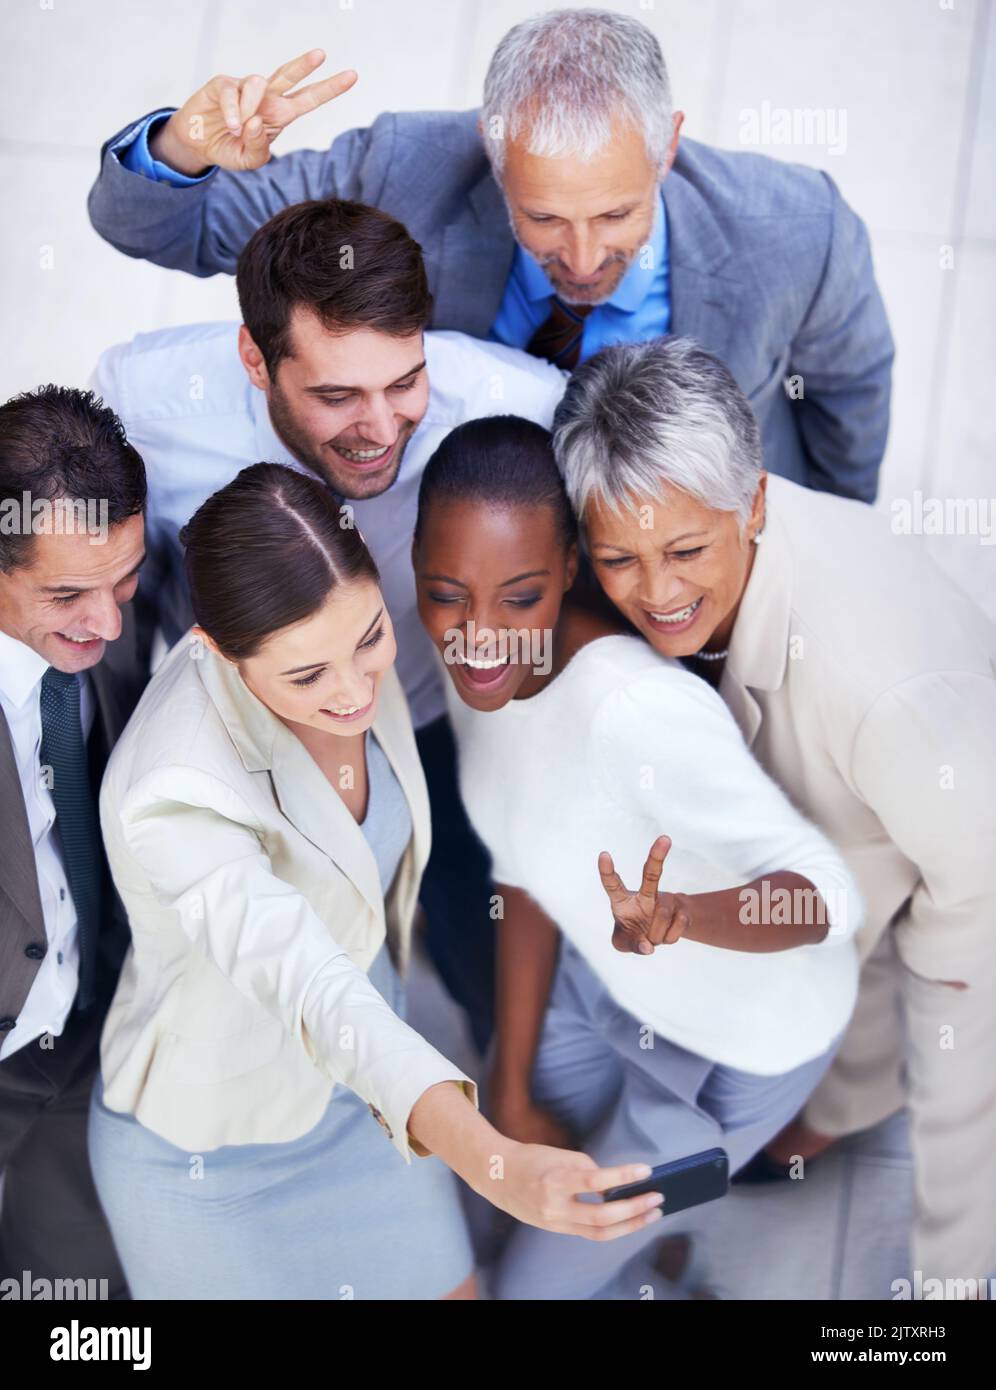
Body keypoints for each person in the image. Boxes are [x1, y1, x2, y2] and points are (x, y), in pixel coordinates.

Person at [86, 461, 663, 1301]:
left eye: (366, 643)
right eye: (308, 677)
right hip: (209, 1153)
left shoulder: (342, 628)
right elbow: (308, 980)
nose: (355, 689)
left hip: (369, 1103)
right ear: (216, 653)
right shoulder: (172, 787)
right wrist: (492, 1164)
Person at [551, 335, 996, 1290]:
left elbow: (975, 889)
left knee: (938, 1045)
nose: (658, 594)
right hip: (838, 811)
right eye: (620, 559)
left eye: (684, 553)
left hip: (954, 853)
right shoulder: (683, 524)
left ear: (753, 503)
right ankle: (840, 1100)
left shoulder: (886, 691)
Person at [89, 195, 566, 1056]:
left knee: (476, 939)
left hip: (431, 721)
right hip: (252, 739)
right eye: (338, 396)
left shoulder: (520, 403)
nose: (381, 429)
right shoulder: (147, 407)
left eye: (404, 383)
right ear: (254, 359)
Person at [410, 415, 864, 1300]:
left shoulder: (635, 713)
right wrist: (507, 1081)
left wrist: (684, 918)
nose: (477, 635)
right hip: (607, 984)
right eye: (446, 591)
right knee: (515, 1171)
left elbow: (826, 898)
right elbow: (523, 871)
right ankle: (645, 1255)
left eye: (519, 597)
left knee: (533, 1287)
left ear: (569, 570)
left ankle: (651, 1249)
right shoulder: (486, 673)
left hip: (743, 1044)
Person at [86, 9, 893, 503]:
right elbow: (158, 227)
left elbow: (848, 397)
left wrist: (820, 546)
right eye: (541, 216)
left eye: (616, 213)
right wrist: (185, 149)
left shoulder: (799, 230)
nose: (580, 258)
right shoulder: (403, 168)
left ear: (669, 148)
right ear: (492, 151)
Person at [0, 385, 148, 1298]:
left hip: (84, 1043)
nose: (108, 622)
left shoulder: (118, 634)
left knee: (85, 1316)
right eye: (67, 594)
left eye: (121, 580)